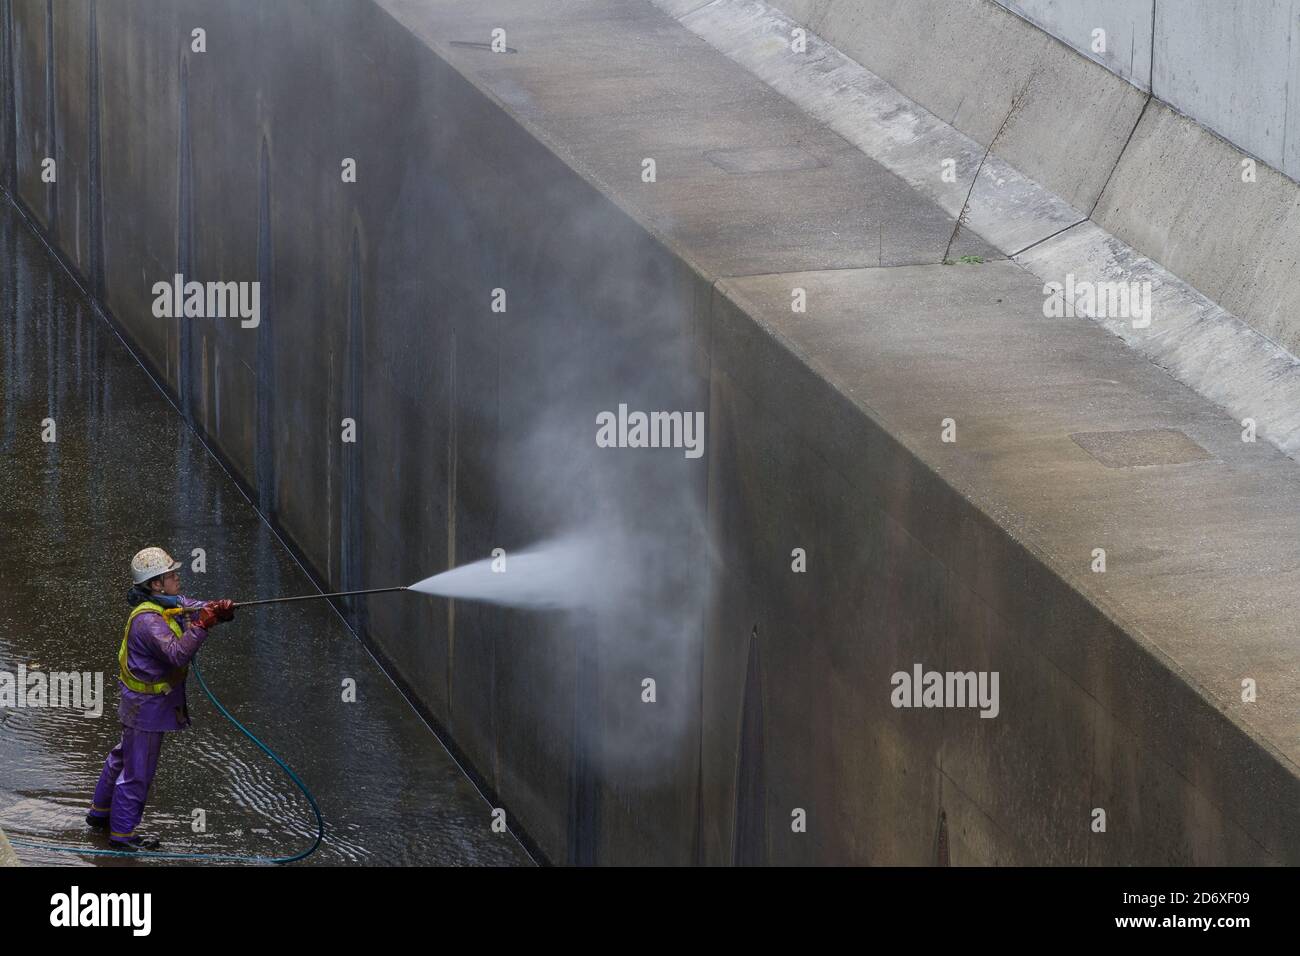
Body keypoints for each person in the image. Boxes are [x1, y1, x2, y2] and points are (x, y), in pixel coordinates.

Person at [85, 547, 235, 851]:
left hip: (139, 703)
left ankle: (100, 815)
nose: (177, 578)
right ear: (155, 584)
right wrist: (203, 625)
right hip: (147, 708)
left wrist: (215, 610)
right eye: (171, 575)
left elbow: (189, 606)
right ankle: (122, 836)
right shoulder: (148, 622)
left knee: (123, 756)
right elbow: (177, 652)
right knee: (138, 770)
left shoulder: (163, 602)